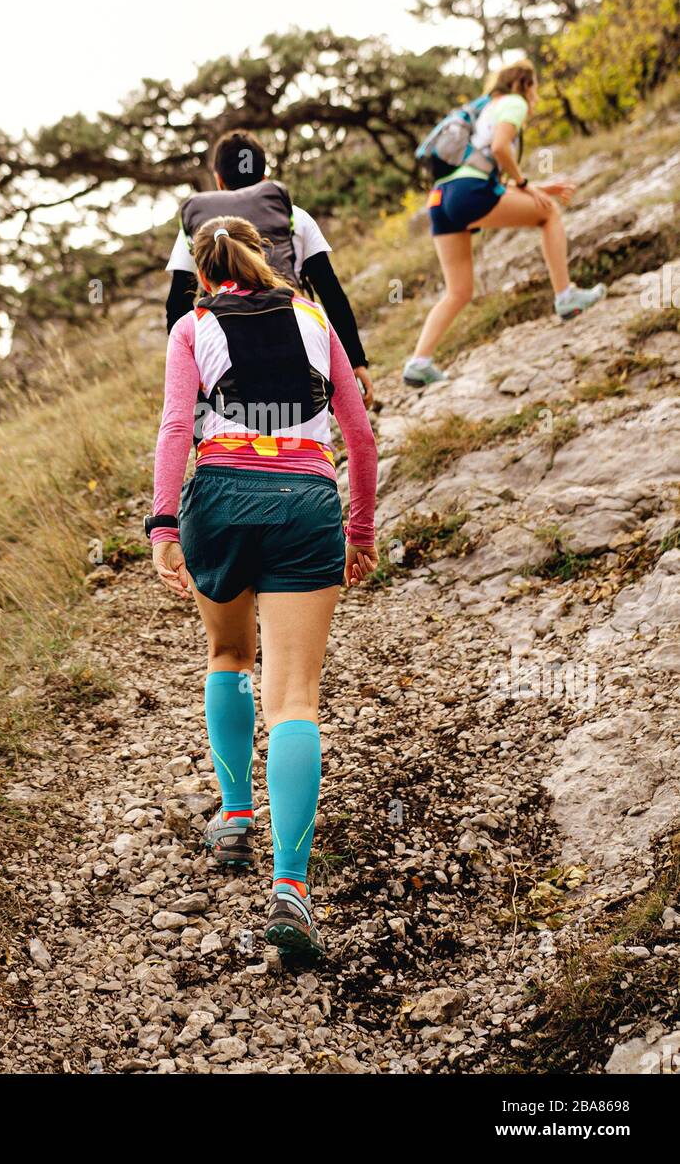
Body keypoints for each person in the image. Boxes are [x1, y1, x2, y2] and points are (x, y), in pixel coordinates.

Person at [146, 215, 378, 958]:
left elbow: (176, 428)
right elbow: (360, 432)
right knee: (295, 700)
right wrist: (363, 530)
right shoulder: (314, 317)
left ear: (208, 275)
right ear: (271, 260)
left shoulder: (193, 324)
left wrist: (163, 525)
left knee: (229, 656)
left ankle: (237, 814)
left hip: (219, 495)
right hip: (308, 500)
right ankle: (292, 893)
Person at [403, 59, 607, 387]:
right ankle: (566, 296)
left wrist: (533, 187)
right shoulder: (514, 103)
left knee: (458, 290)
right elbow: (499, 149)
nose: (535, 94)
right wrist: (526, 183)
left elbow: (479, 170)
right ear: (524, 84)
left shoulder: (481, 109)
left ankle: (418, 363)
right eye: (534, 87)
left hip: (441, 199)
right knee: (549, 213)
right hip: (469, 191)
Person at [165, 128, 375, 407]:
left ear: (218, 180)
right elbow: (330, 291)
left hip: (226, 358)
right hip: (296, 346)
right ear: (265, 177)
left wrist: (190, 388)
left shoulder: (200, 230)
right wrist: (356, 362)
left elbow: (176, 305)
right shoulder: (294, 215)